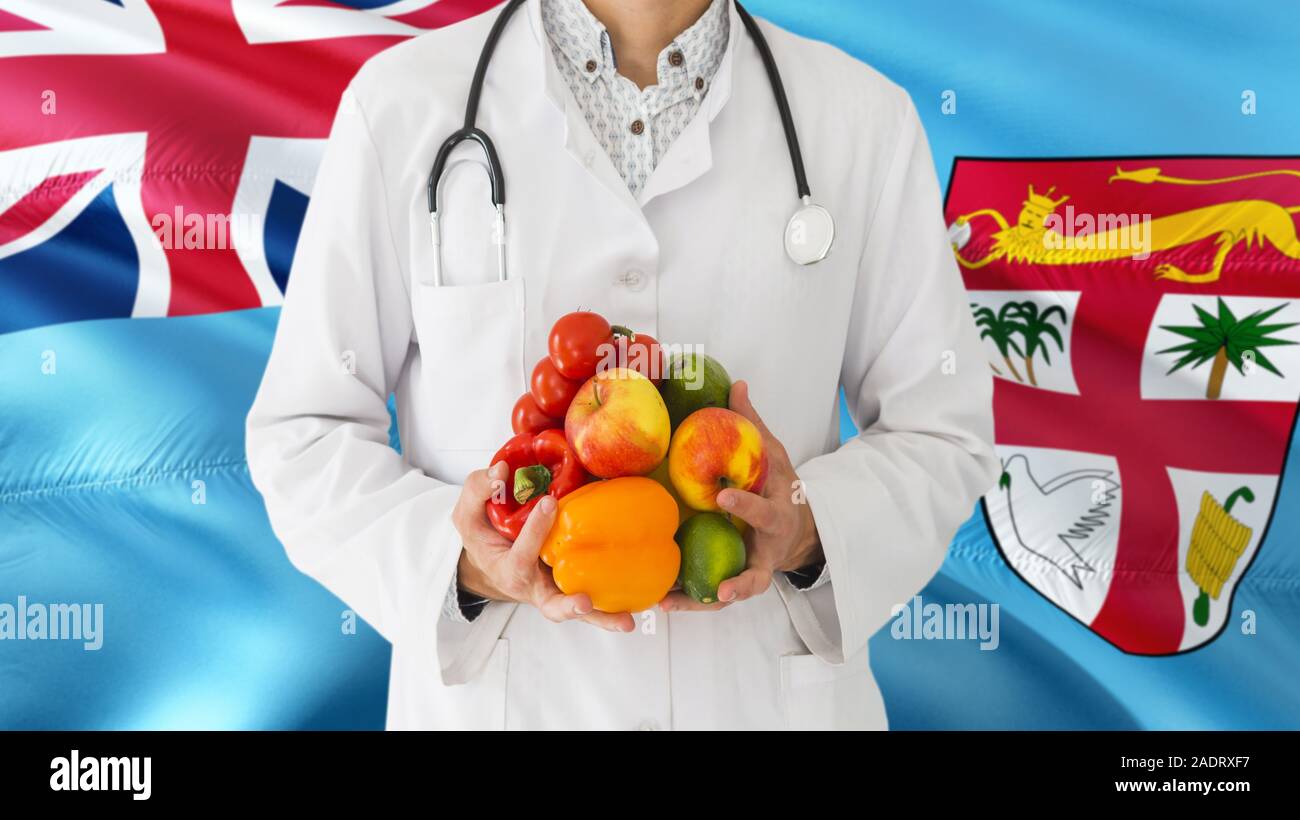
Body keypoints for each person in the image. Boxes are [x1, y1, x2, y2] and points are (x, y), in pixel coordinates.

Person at [246, 0, 998, 730]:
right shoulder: (402, 106)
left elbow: (939, 429)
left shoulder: (861, 119)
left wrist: (809, 529)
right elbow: (304, 433)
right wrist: (465, 565)